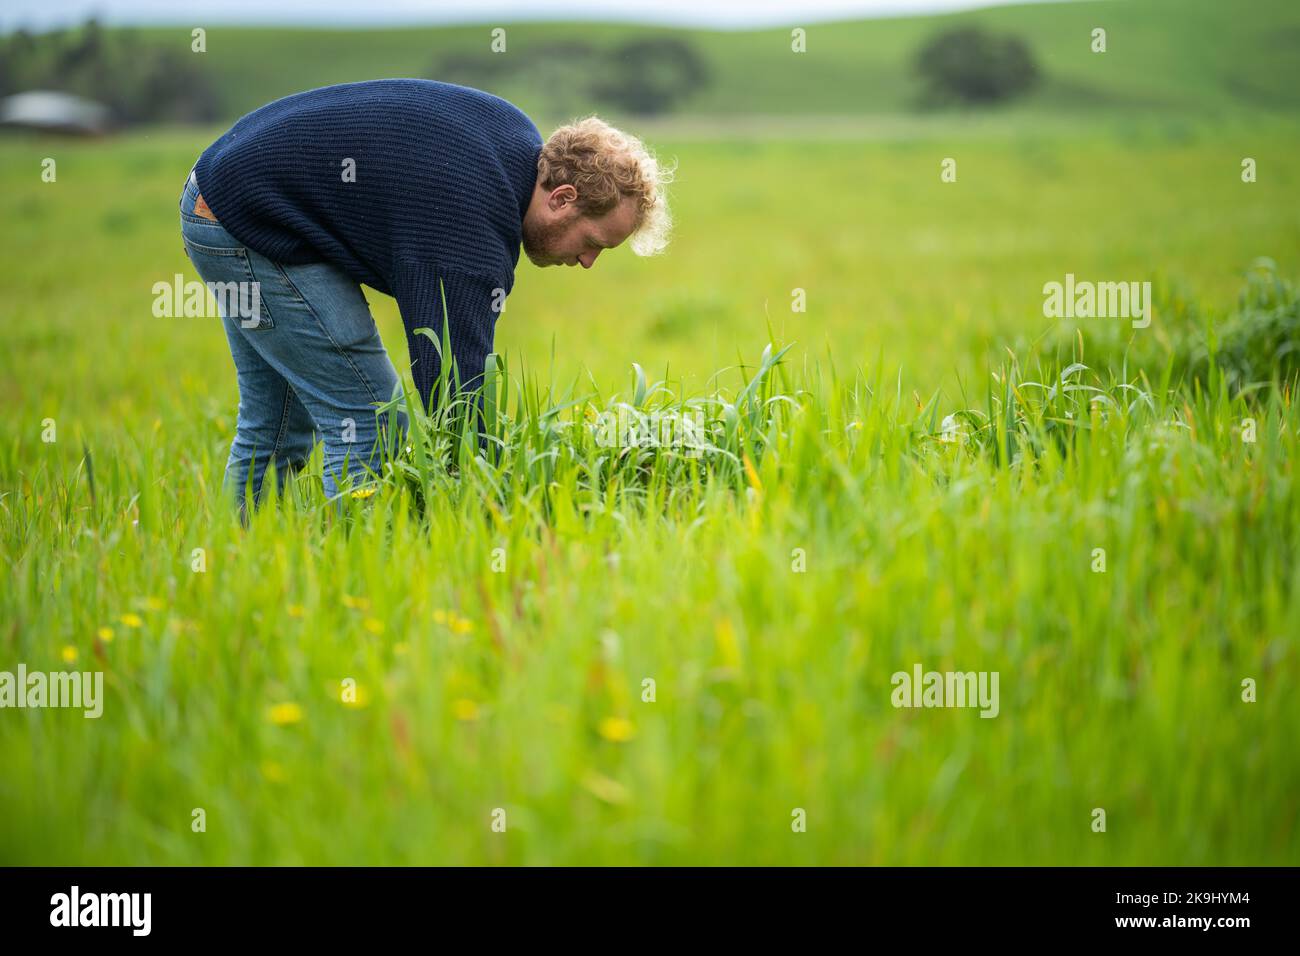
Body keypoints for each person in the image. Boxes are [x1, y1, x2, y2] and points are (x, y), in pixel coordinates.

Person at [178, 78, 673, 512]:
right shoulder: (471, 231)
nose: (587, 262)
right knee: (373, 424)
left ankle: (241, 555)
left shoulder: (517, 147)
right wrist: (491, 498)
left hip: (223, 191)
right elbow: (454, 388)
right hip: (245, 220)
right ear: (562, 199)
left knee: (278, 426)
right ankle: (361, 580)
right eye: (592, 243)